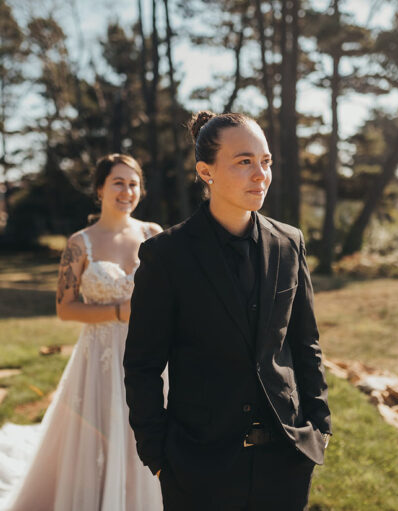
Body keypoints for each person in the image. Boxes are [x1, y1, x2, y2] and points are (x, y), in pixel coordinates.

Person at [123, 111, 332, 510]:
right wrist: (159, 456)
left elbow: (306, 344)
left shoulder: (290, 243)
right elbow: (143, 365)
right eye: (244, 162)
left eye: (265, 161)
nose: (260, 174)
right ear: (206, 172)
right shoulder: (166, 256)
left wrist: (319, 429)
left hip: (286, 460)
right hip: (199, 467)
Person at [0, 154, 164, 511]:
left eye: (133, 183)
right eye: (118, 183)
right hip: (99, 356)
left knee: (146, 427)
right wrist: (117, 311)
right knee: (102, 431)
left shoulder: (152, 234)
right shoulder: (81, 243)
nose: (127, 191)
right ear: (100, 189)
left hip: (149, 352)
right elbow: (65, 308)